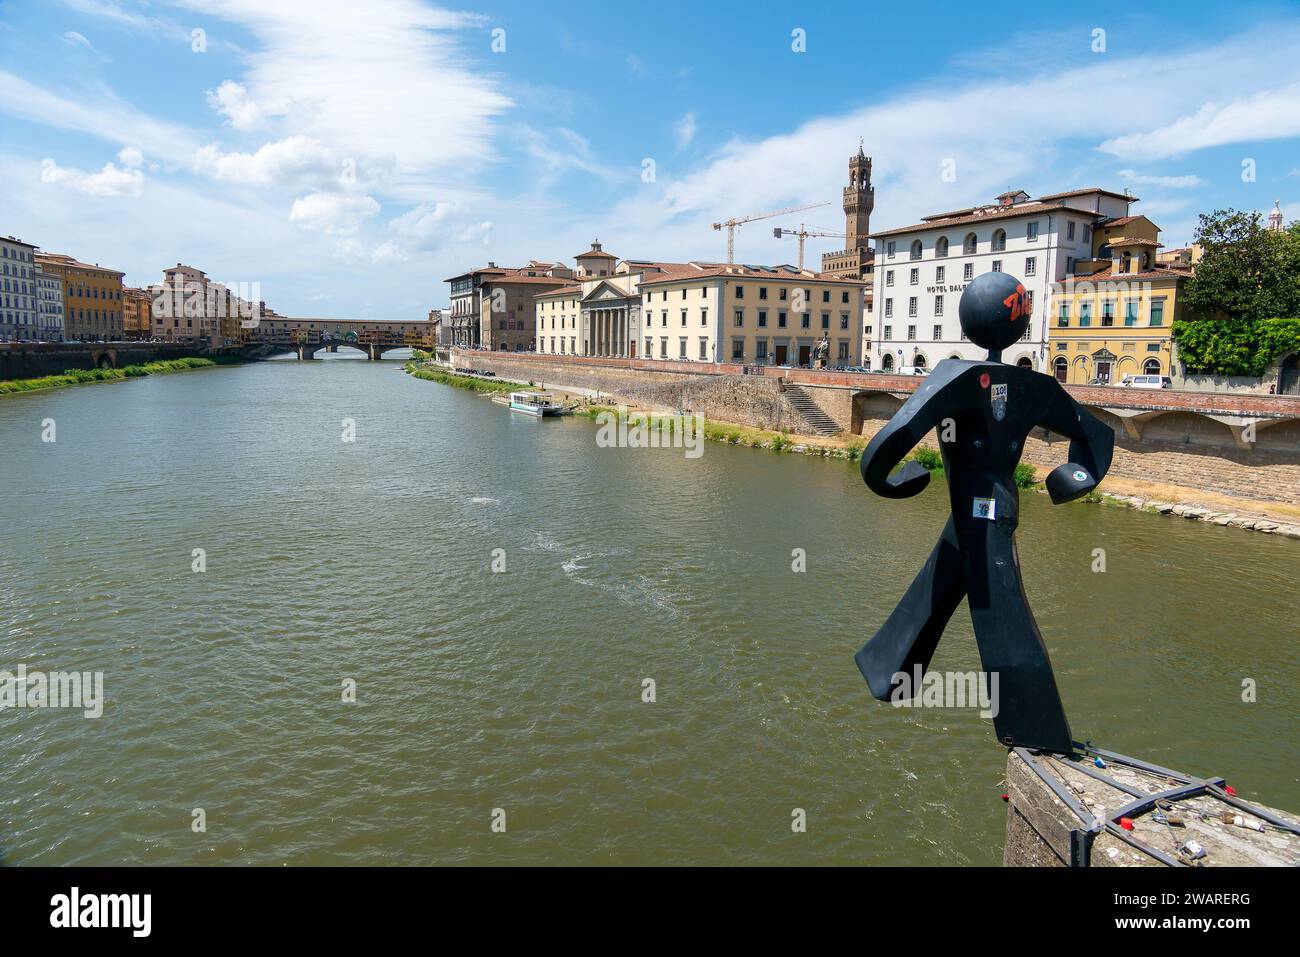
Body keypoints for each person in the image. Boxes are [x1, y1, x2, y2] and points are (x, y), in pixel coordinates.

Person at [856, 271, 1114, 753]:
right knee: (942, 580)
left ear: (969, 320)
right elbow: (1098, 436)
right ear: (1018, 321)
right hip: (993, 505)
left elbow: (888, 443)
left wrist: (892, 483)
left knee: (1004, 616)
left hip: (982, 511)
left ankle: (1034, 729)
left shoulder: (956, 376)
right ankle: (886, 668)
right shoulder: (1036, 386)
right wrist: (1071, 479)